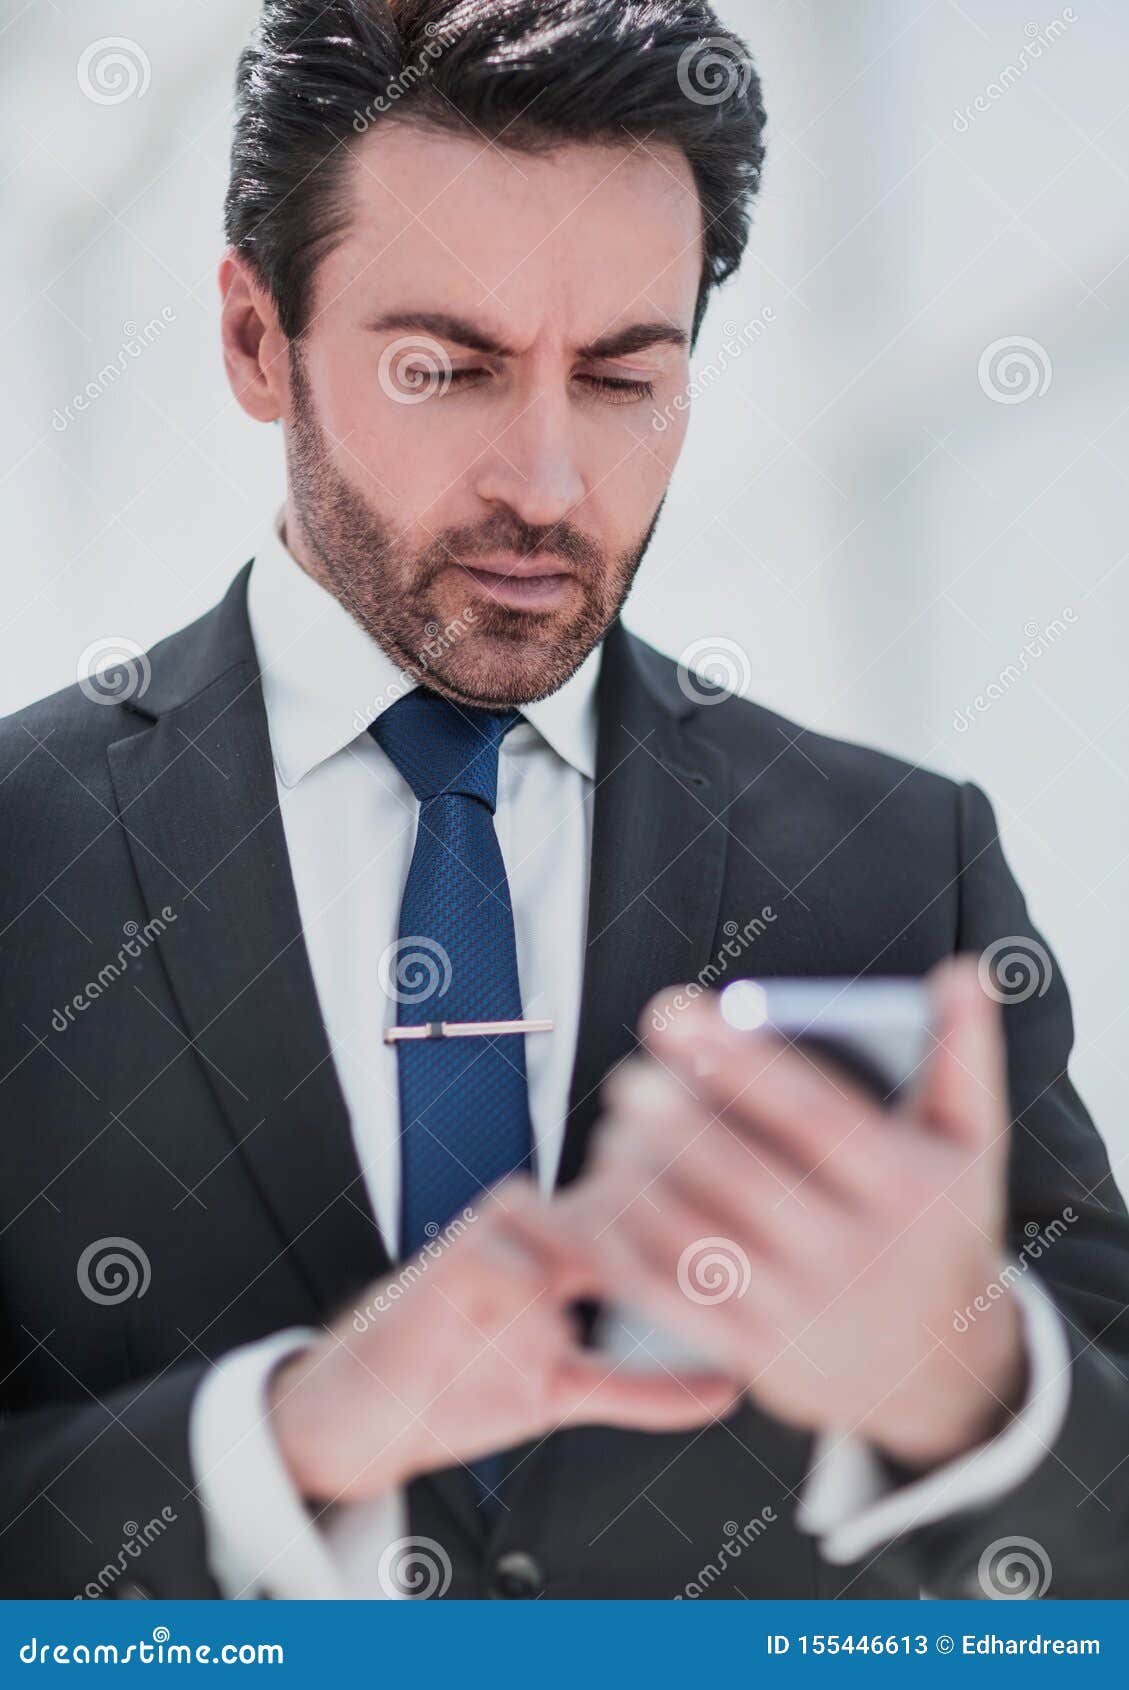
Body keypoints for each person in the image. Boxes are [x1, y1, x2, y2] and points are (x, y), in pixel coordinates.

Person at [1, 0, 1126, 1601]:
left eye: (620, 379)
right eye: (445, 367)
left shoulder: (901, 862)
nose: (545, 481)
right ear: (258, 338)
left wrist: (963, 1385)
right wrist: (287, 1440)